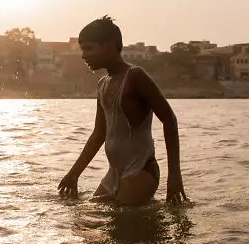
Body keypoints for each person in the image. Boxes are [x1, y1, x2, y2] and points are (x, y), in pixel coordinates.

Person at [58, 16, 188, 205]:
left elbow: (169, 119)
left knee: (122, 221)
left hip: (141, 170)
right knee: (87, 220)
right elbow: (98, 134)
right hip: (114, 174)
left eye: (88, 48)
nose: (83, 55)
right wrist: (73, 174)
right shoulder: (102, 84)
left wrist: (174, 177)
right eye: (82, 49)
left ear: (110, 46)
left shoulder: (135, 76)